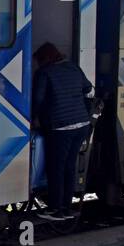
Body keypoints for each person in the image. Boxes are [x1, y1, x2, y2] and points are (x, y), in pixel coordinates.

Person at [31, 42, 94, 220]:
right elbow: (88, 89)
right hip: (82, 125)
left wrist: (31, 119)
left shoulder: (44, 73)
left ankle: (55, 209)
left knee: (56, 168)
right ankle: (67, 208)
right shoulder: (73, 67)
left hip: (60, 126)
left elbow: (38, 99)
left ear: (43, 59)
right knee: (69, 166)